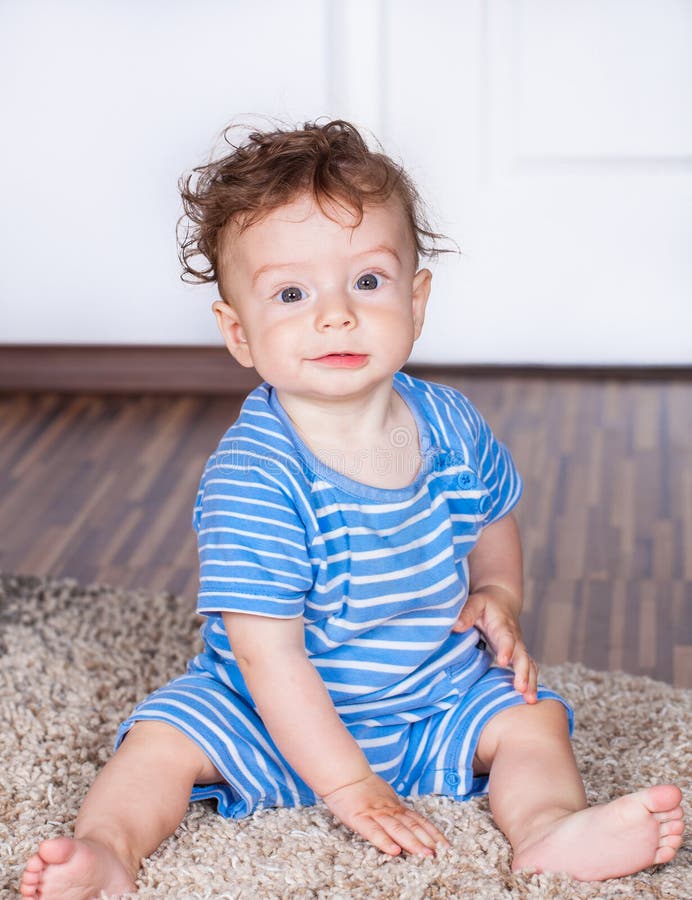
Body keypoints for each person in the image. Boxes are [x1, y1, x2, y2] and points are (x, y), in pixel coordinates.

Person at [21, 120, 684, 899]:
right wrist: (348, 785)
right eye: (292, 294)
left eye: (367, 282)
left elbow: (493, 522)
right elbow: (270, 659)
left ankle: (547, 830)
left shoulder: (449, 422)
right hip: (265, 715)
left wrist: (499, 595)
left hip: (432, 693)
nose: (335, 314)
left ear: (417, 296)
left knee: (532, 721)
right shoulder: (255, 478)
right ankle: (106, 852)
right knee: (161, 744)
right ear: (239, 332)